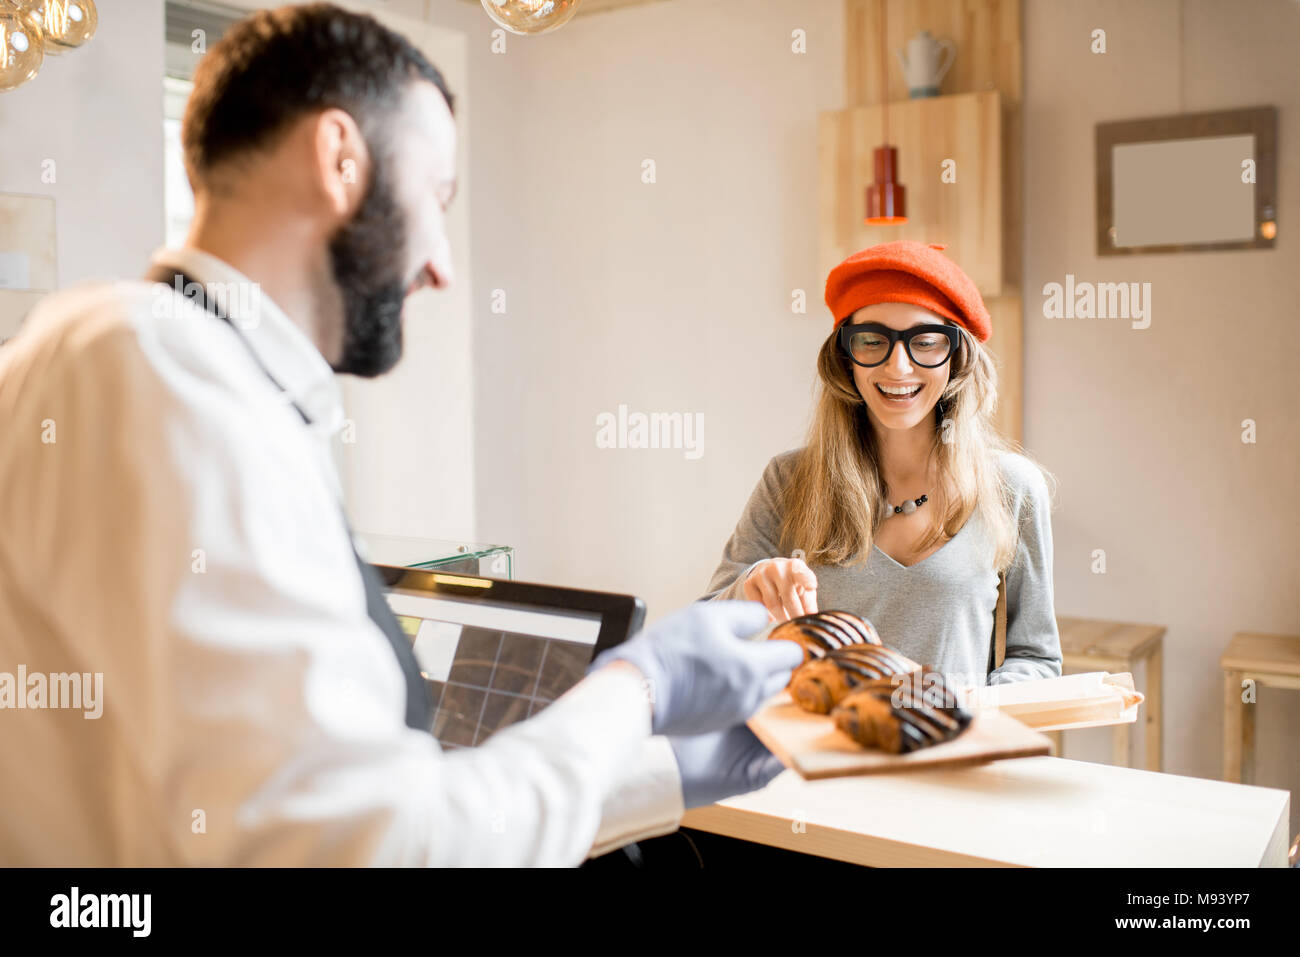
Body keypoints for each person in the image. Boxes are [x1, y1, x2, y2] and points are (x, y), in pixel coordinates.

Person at [0, 4, 802, 867]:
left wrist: (665, 774)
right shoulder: (161, 375)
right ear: (340, 157)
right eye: (438, 197)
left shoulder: (136, 361)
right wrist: (636, 690)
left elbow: (346, 808)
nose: (443, 266)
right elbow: (363, 850)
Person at [704, 240, 1062, 689]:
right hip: (821, 753)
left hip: (949, 750)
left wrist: (966, 705)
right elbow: (703, 634)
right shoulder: (789, 480)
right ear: (844, 359)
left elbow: (1036, 657)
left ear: (956, 357)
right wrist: (751, 586)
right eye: (872, 341)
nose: (898, 367)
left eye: (925, 342)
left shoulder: (1012, 487)